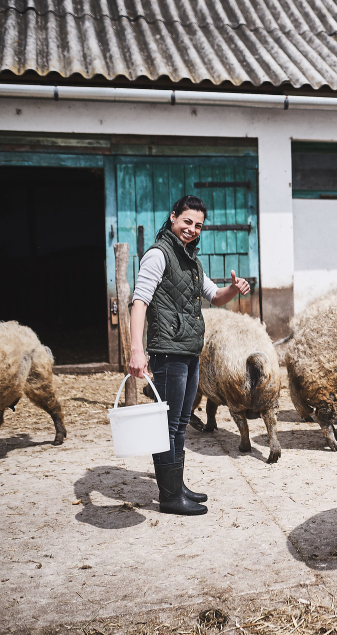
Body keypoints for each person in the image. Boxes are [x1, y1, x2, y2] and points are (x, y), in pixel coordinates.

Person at [128, 195, 250, 515]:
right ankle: (169, 498)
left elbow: (215, 296)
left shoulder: (191, 260)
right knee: (167, 426)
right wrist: (136, 350)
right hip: (168, 352)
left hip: (189, 350)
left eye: (198, 225)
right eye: (187, 221)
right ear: (173, 218)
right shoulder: (158, 255)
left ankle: (176, 486)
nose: (192, 229)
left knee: (181, 423)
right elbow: (139, 302)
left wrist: (234, 288)